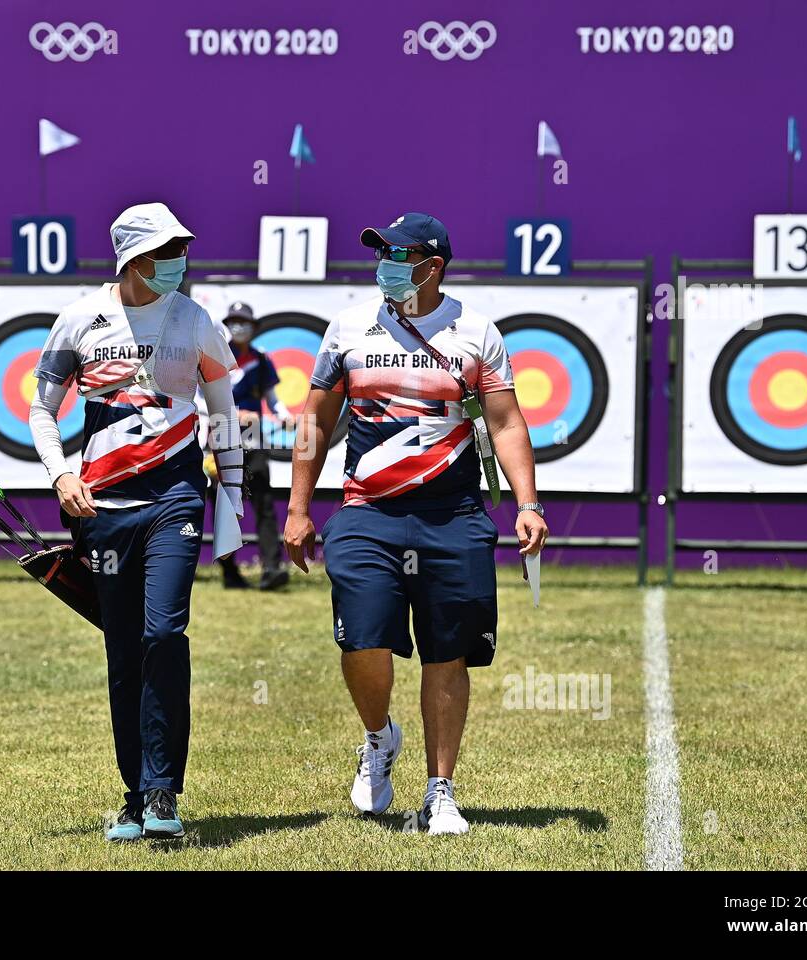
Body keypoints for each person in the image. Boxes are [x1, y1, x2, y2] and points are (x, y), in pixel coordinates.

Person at [283, 213, 548, 835]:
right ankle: (378, 738)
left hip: (452, 517)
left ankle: (440, 791)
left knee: (447, 651)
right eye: (381, 255)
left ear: (432, 268)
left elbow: (507, 423)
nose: (384, 267)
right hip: (367, 514)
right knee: (362, 638)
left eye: (397, 257)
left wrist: (527, 502)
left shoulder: (476, 331)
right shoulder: (348, 326)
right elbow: (315, 421)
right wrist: (297, 508)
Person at [30, 202, 244, 842]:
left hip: (176, 500)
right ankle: (133, 794)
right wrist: (61, 475)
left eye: (182, 249)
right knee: (123, 650)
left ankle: (162, 791)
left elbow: (224, 412)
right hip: (102, 507)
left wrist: (229, 496)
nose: (178, 261)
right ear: (132, 259)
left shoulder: (195, 319)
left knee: (163, 635)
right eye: (165, 252)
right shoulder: (80, 318)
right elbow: (43, 411)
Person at [216, 301, 293, 590]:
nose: (239, 326)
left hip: (254, 440)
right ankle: (229, 572)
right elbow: (200, 400)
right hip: (221, 438)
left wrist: (284, 416)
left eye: (244, 321)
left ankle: (272, 569)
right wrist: (234, 415)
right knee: (225, 507)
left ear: (254, 327)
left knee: (263, 503)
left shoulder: (260, 359)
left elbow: (272, 399)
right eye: (233, 321)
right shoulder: (216, 357)